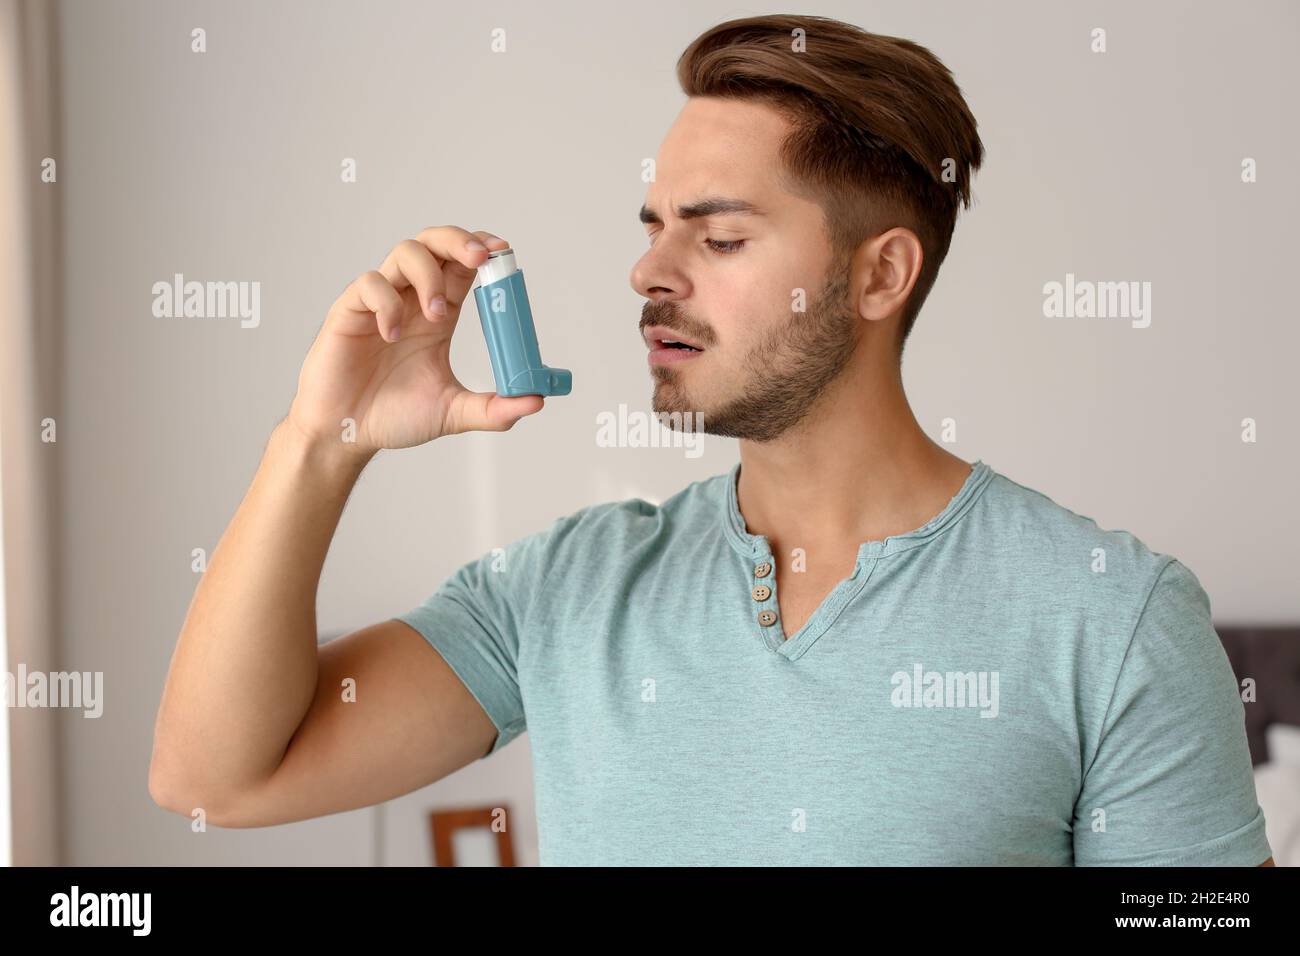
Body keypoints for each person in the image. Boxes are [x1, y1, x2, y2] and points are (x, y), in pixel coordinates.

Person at [149, 14, 1274, 866]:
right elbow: (217, 776)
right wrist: (321, 438)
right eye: (652, 229)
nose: (649, 272)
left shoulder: (1109, 616)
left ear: (880, 272)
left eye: (719, 234)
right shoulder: (568, 586)